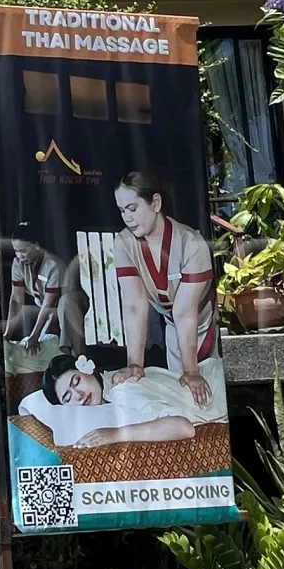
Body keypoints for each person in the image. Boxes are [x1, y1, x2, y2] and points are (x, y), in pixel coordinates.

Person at [111, 171, 215, 407]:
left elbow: (185, 312)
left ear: (155, 203)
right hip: (173, 325)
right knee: (182, 399)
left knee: (207, 393)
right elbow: (135, 305)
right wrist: (135, 365)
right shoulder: (124, 243)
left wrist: (191, 371)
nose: (127, 217)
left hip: (204, 323)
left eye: (133, 208)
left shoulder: (191, 243)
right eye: (121, 210)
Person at [35, 350, 218, 444]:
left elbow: (183, 427)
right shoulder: (108, 391)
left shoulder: (121, 389)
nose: (79, 395)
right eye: (68, 398)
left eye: (77, 381)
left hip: (219, 389)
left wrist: (114, 435)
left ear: (87, 370)